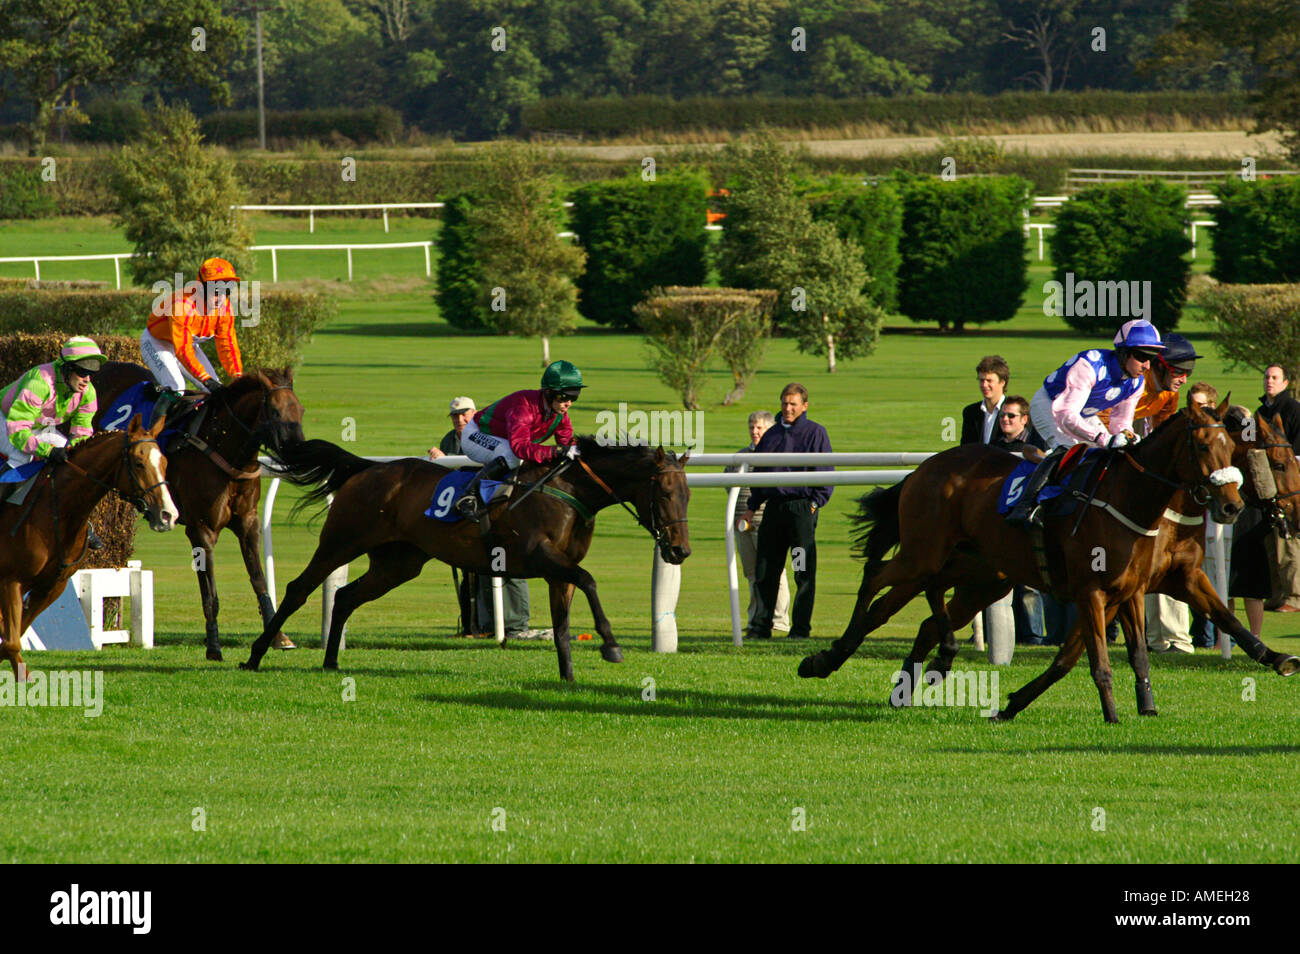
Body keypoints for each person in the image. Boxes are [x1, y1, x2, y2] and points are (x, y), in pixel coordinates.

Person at [1008, 319, 1166, 528]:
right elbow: (1066, 414)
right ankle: (1026, 507)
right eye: (1141, 356)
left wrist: (1127, 436)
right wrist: (1102, 438)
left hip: (1082, 411)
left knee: (1113, 452)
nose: (1146, 365)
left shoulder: (1136, 382)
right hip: (1051, 404)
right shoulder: (1089, 366)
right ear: (1123, 352)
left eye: (1151, 358)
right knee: (1068, 448)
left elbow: (1121, 421)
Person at [740, 383, 832, 641]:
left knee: (802, 570)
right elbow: (759, 474)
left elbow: (826, 475)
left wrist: (814, 503)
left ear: (804, 406)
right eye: (784, 403)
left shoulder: (816, 433)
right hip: (773, 511)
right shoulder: (771, 435)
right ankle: (760, 628)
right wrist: (751, 508)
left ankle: (800, 630)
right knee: (766, 571)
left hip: (801, 512)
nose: (788, 408)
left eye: (793, 404)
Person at [1, 337, 106, 547]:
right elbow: (19, 432)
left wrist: (73, 452)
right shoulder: (39, 382)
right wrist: (47, 451)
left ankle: (86, 526)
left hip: (39, 427)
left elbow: (82, 433)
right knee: (22, 454)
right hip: (6, 420)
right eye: (82, 372)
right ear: (66, 369)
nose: (87, 379)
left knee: (76, 463)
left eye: (92, 374)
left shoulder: (88, 393)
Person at [454, 360, 582, 521]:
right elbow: (520, 448)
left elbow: (567, 444)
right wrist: (557, 451)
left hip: (504, 438)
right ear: (549, 392)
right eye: (564, 396)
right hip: (475, 435)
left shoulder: (560, 415)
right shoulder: (523, 407)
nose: (568, 403)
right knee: (513, 456)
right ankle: (468, 496)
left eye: (574, 396)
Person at [728, 411, 791, 633]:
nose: (754, 432)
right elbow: (728, 483)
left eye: (759, 428)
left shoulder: (776, 455)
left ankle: (779, 620)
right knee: (751, 573)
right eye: (752, 427)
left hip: (766, 522)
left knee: (775, 571)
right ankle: (755, 618)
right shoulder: (740, 456)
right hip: (741, 523)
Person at [142, 257, 243, 394]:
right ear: (201, 288)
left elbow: (227, 345)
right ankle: (154, 416)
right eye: (216, 290)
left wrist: (238, 375)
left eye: (227, 290)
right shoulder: (182, 306)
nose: (221, 298)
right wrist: (204, 377)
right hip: (157, 343)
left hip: (188, 346)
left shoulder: (225, 310)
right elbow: (182, 350)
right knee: (176, 387)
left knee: (215, 390)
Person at [1257, 364, 1300, 613]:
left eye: (1275, 378)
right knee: (1271, 540)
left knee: (1289, 539)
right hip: (1268, 486)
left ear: (1285, 383)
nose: (1269, 381)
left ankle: (1294, 596)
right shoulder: (1261, 412)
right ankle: (1276, 593)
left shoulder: (1293, 409)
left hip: (1289, 485)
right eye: (1266, 377)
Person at [960, 356, 1009, 446]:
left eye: (989, 380)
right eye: (981, 380)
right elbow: (965, 449)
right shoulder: (970, 412)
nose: (984, 385)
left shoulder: (1014, 412)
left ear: (1002, 382)